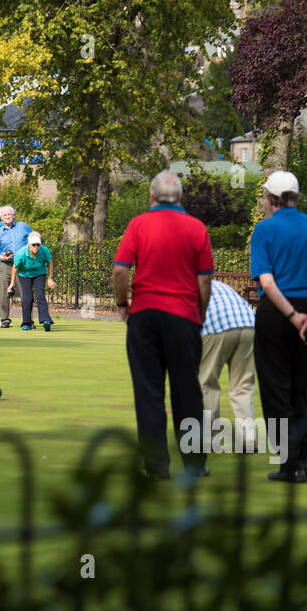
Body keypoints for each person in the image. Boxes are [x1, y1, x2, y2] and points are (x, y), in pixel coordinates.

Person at [112, 171, 214, 479]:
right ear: (181, 198)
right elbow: (205, 279)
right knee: (188, 392)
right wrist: (200, 311)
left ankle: (156, 466)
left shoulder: (139, 224)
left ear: (152, 197)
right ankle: (195, 465)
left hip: (145, 315)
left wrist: (122, 304)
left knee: (149, 392)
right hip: (183, 316)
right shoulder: (196, 227)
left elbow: (120, 271)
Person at [250, 170, 307, 483]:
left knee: (276, 390)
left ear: (271, 198)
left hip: (278, 313)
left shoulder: (264, 230)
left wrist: (292, 316)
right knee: (298, 386)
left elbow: (267, 281)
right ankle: (305, 459)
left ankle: (290, 466)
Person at [199, 278, 258, 453]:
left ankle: (210, 439)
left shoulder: (187, 286)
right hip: (249, 325)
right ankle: (248, 439)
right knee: (243, 387)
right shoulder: (221, 285)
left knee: (206, 383)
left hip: (216, 327)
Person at [0, 204, 31, 328]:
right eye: (5, 215)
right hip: (5, 264)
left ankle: (28, 320)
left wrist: (30, 252)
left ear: (13, 216)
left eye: (9, 214)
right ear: (1, 217)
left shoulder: (23, 227)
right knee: (3, 292)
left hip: (21, 264)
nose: (7, 216)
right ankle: (4, 319)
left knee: (25, 292)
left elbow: (33, 238)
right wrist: (4, 257)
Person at [10, 231, 56, 330]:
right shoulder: (21, 253)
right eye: (33, 244)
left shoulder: (44, 251)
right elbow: (15, 268)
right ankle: (26, 323)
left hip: (39, 273)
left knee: (40, 296)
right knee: (27, 297)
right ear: (28, 244)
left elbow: (50, 263)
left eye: (38, 244)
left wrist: (50, 278)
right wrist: (12, 283)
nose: (36, 247)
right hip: (24, 275)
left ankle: (46, 320)